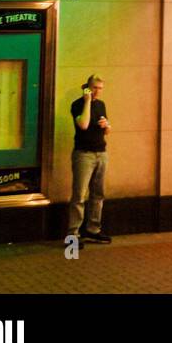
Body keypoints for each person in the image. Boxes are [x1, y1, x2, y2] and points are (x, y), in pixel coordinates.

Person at [68, 74, 111, 244]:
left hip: (101, 153)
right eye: (94, 88)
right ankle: (73, 234)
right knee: (79, 195)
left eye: (100, 88)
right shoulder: (77, 104)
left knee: (98, 194)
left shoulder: (101, 105)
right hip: (84, 154)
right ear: (87, 87)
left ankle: (93, 229)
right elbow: (83, 125)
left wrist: (107, 126)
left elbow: (107, 131)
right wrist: (87, 101)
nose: (97, 91)